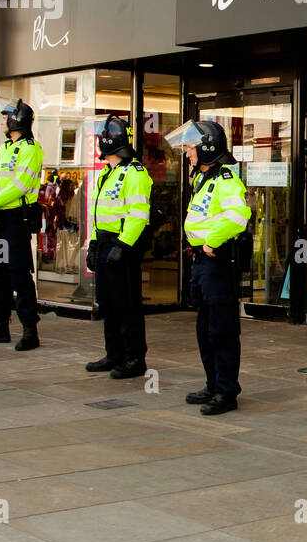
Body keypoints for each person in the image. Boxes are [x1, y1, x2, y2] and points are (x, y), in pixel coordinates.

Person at [167, 119, 249, 415]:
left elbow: (239, 215)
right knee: (205, 327)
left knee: (221, 329)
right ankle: (213, 384)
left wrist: (211, 242)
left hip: (216, 262)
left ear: (206, 148)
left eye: (190, 148)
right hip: (201, 262)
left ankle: (227, 392)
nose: (187, 153)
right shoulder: (203, 180)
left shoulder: (225, 179)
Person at [85, 115, 154, 379]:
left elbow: (138, 215)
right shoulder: (107, 174)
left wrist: (122, 246)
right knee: (108, 304)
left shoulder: (134, 173)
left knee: (127, 305)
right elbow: (98, 213)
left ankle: (134, 358)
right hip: (104, 244)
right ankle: (114, 354)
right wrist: (93, 244)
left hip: (122, 247)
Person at [0, 98, 45, 350]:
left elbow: (20, 186)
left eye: (6, 117)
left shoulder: (31, 149)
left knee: (19, 275)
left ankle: (29, 331)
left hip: (17, 220)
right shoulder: (4, 149)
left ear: (17, 119)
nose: (2, 121)